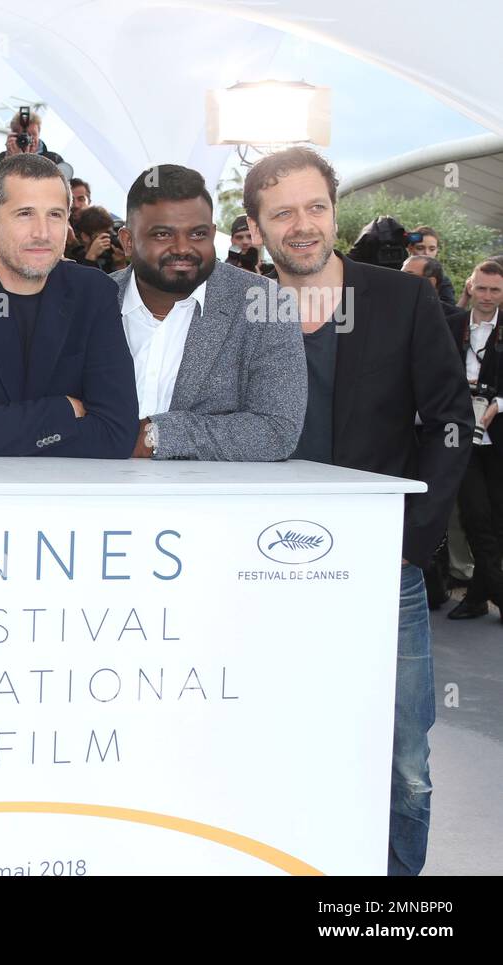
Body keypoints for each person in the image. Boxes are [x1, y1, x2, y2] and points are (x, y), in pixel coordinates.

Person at [243, 145, 473, 877]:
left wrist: (413, 540)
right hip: (260, 571)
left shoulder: (400, 298)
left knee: (403, 759)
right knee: (273, 744)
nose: (303, 225)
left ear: (334, 211)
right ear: (255, 227)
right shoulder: (235, 307)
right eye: (282, 213)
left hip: (383, 571)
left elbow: (448, 419)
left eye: (315, 207)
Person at [0, 153, 137, 457]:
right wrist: (64, 410)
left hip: (73, 494)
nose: (42, 233)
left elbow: (117, 435)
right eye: (25, 214)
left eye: (55, 215)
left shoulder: (94, 292)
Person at [112, 164, 305, 460]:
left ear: (213, 234)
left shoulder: (266, 305)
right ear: (127, 241)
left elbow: (275, 429)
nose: (182, 248)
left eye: (198, 234)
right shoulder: (88, 301)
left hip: (209, 503)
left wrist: (153, 436)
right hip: (84, 496)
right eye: (163, 234)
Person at [446, 260, 503, 623]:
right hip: (459, 436)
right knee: (476, 517)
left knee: (495, 522)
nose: (486, 296)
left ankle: (479, 597)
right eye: (481, 288)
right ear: (470, 286)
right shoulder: (451, 325)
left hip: (497, 438)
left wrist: (498, 403)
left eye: (495, 290)